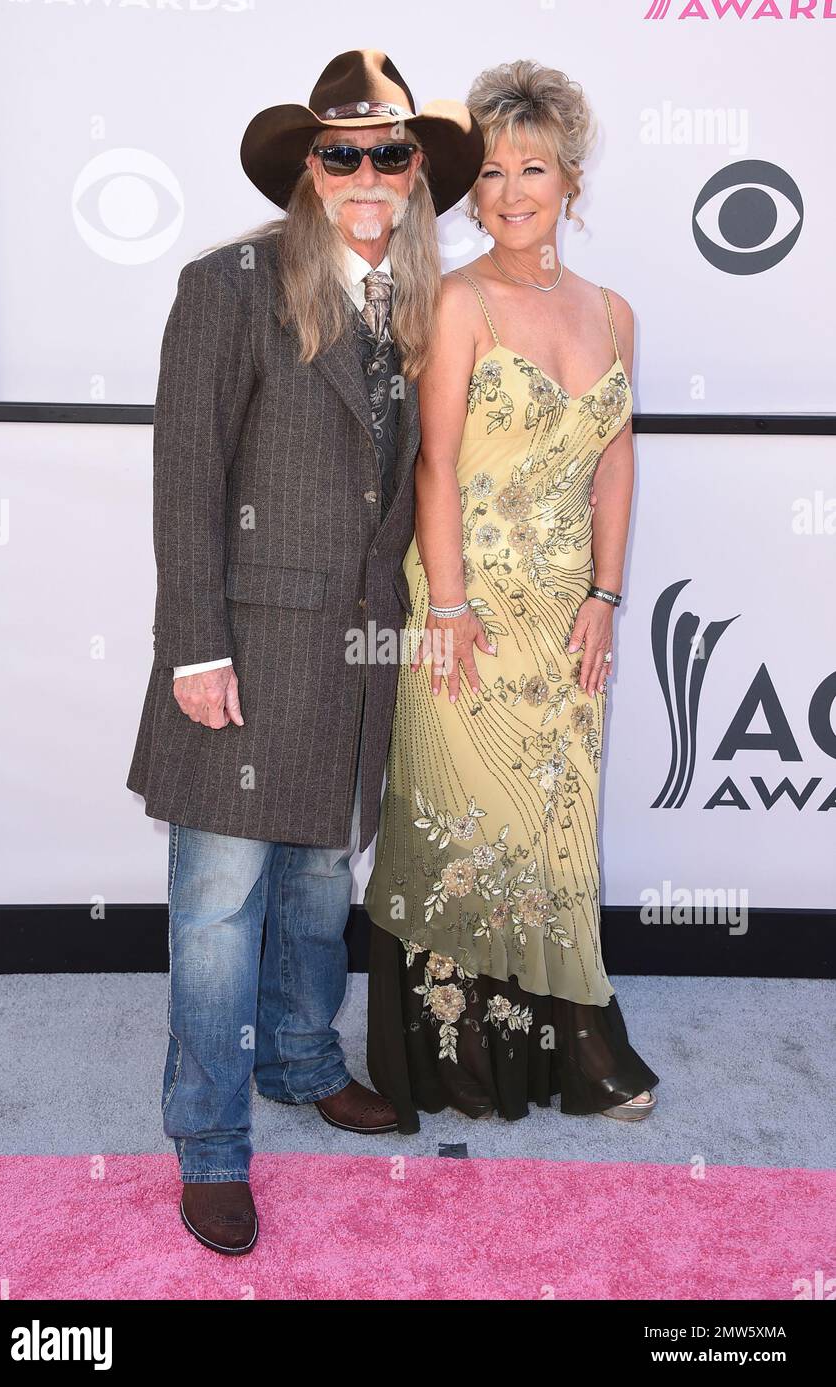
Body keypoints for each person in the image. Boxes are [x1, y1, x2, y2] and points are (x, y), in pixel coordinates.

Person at [126, 49, 483, 1253]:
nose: (367, 174)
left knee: (324, 877)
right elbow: (186, 476)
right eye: (342, 153)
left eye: (390, 154)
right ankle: (212, 1144)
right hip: (243, 644)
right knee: (219, 903)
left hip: (359, 649)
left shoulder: (424, 298)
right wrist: (193, 650)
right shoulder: (228, 283)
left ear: (418, 171)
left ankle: (295, 1059)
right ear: (308, 168)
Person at [364, 59, 659, 1133]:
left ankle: (563, 1046)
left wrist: (604, 595)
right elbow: (432, 464)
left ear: (569, 181)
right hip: (465, 600)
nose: (510, 191)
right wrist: (445, 607)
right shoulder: (454, 299)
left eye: (531, 167)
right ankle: (462, 1063)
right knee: (464, 811)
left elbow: (614, 462)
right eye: (489, 173)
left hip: (563, 609)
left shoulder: (614, 313)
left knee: (554, 823)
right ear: (468, 194)